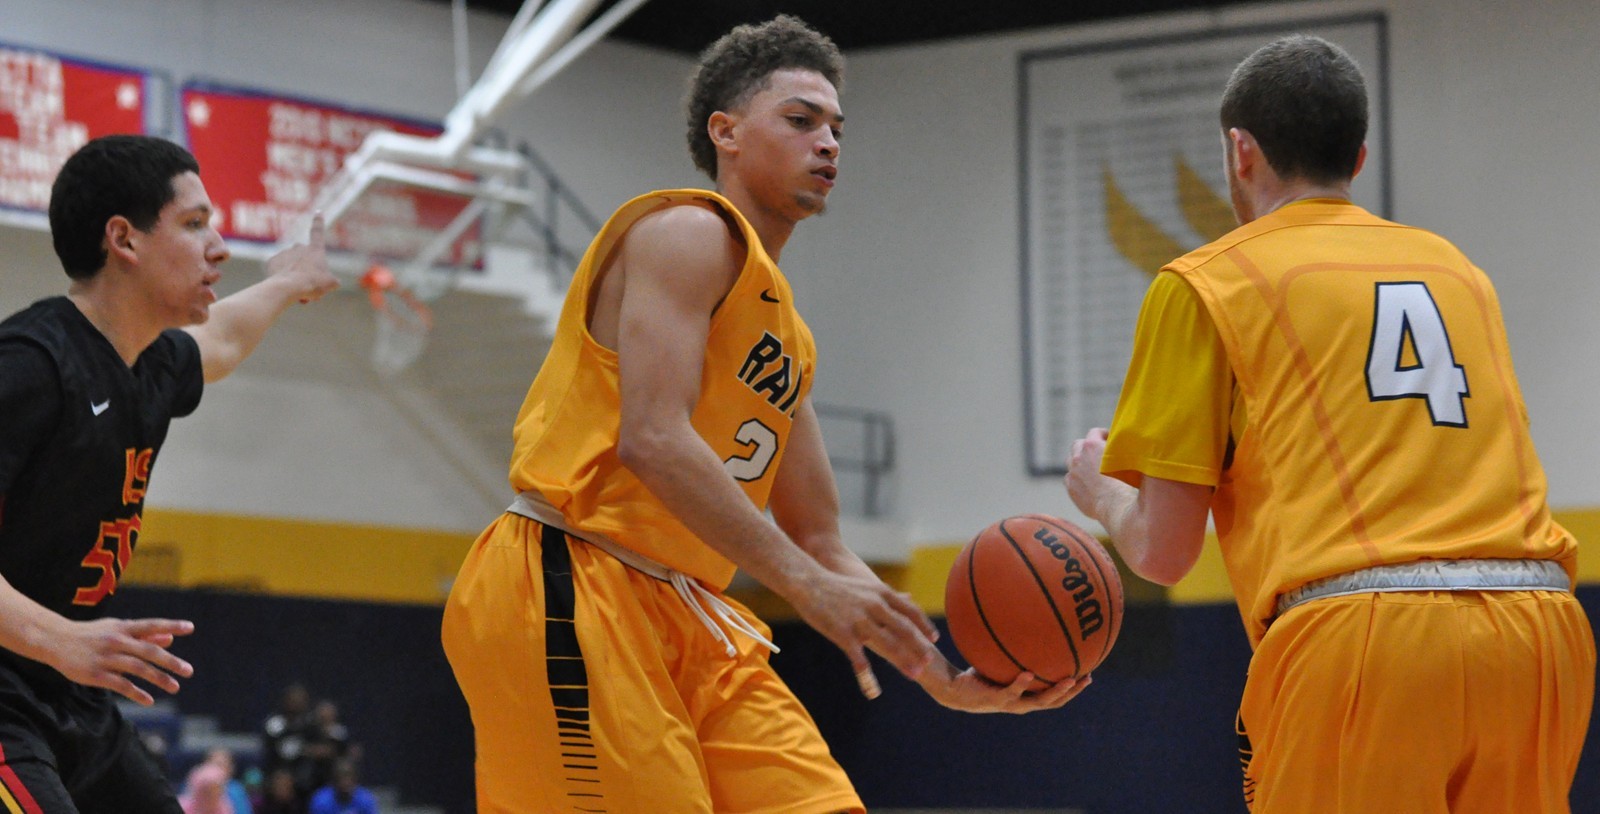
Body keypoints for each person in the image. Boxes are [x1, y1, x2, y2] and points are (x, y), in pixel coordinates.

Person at [441, 14, 1079, 814]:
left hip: (692, 610)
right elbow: (652, 438)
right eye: (801, 120)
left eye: (837, 128)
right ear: (727, 133)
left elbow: (819, 539)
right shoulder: (687, 233)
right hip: (573, 577)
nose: (829, 144)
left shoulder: (789, 337)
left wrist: (941, 675)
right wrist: (805, 586)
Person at [1065, 35, 1595, 814]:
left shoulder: (1206, 282)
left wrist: (1103, 497)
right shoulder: (1457, 269)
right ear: (1359, 153)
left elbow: (1167, 551)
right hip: (1539, 629)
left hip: (1365, 636)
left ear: (1240, 151)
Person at [0, 134, 337, 811]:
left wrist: (290, 282)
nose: (219, 247)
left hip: (73, 700)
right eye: (194, 224)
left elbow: (224, 339)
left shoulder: (149, 364)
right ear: (123, 239)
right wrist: (61, 638)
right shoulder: (29, 365)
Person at [306, 761, 376, 814]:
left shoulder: (365, 799)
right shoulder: (321, 801)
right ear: (334, 782)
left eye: (349, 780)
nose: (345, 783)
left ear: (355, 781)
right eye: (341, 780)